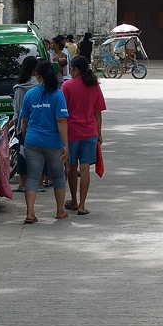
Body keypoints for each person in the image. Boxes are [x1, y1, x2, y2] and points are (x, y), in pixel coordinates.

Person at [20, 60, 69, 222]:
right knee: (58, 176)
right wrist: (66, 144)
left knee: (33, 177)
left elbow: (24, 121)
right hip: (53, 142)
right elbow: (61, 120)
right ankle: (60, 211)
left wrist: (27, 139)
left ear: (38, 75)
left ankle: (30, 213)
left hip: (32, 141)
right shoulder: (57, 94)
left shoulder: (30, 94)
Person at [62, 55, 106, 216]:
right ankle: (81, 205)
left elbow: (62, 113)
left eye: (71, 69)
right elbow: (98, 113)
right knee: (85, 169)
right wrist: (99, 133)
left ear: (76, 70)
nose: (70, 72)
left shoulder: (67, 86)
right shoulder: (94, 86)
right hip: (90, 132)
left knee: (71, 168)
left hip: (72, 132)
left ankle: (73, 200)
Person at [12, 56, 40, 193]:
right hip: (40, 125)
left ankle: (23, 183)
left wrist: (17, 126)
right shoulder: (40, 85)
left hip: (25, 125)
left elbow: (18, 111)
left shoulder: (20, 87)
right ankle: (39, 183)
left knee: (23, 154)